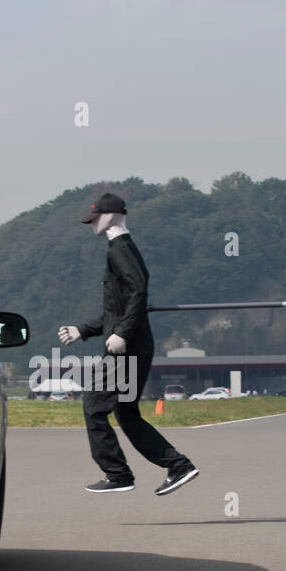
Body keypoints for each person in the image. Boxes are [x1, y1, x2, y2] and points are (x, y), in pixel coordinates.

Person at [58, 192, 199, 495]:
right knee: (125, 413)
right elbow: (118, 308)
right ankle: (178, 466)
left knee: (94, 406)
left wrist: (121, 333)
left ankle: (118, 474)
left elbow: (138, 291)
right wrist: (84, 330)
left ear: (109, 216)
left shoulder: (118, 249)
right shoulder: (123, 248)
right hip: (133, 343)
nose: (92, 223)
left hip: (127, 347)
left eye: (95, 217)